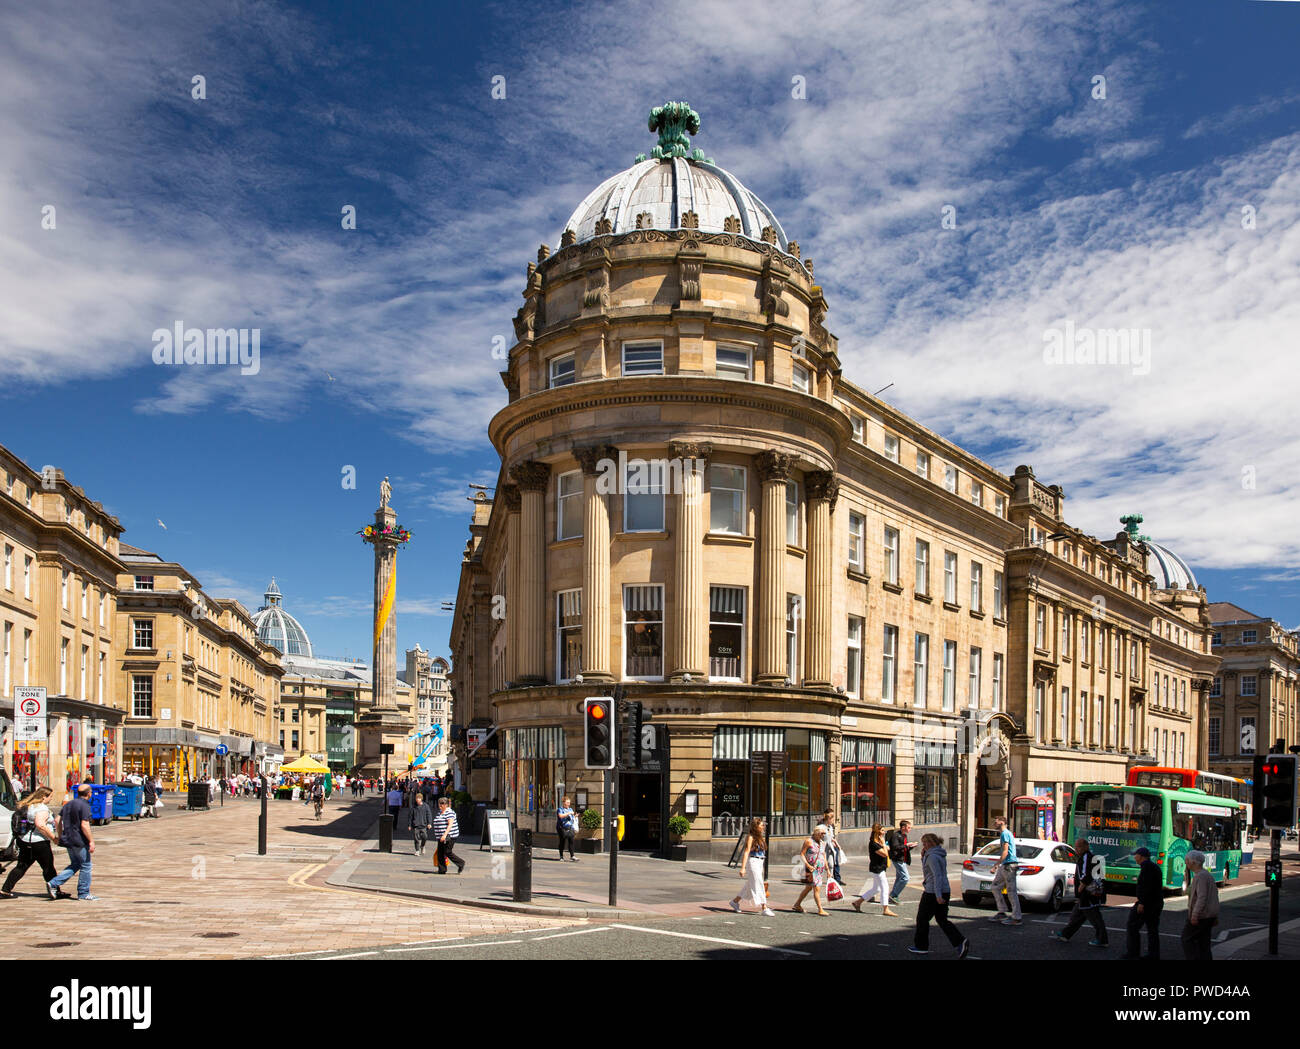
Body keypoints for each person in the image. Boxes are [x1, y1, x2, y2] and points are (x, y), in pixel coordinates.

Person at [909, 832, 970, 957]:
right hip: (943, 890)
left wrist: (937, 895)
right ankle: (960, 941)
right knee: (941, 919)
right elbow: (932, 872)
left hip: (933, 892)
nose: (923, 845)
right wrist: (923, 857)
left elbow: (937, 876)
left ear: (931, 843)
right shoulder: (938, 854)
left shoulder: (932, 856)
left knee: (922, 919)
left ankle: (921, 946)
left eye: (925, 842)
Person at [1, 787, 60, 898]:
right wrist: (53, 837)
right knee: (48, 868)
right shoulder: (42, 808)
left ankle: (5, 890)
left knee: (21, 867)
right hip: (40, 842)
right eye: (50, 796)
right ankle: (55, 890)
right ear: (44, 796)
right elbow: (40, 824)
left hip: (26, 841)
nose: (51, 799)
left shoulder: (31, 806)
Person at [1051, 837, 1108, 947]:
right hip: (1089, 894)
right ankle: (1065, 934)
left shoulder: (1086, 857)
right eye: (1076, 847)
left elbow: (1085, 874)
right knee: (1077, 916)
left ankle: (1102, 939)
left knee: (1095, 918)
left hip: (1088, 894)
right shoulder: (1090, 857)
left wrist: (1081, 887)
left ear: (1086, 847)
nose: (1077, 849)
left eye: (1079, 847)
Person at [48, 783, 97, 901]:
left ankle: (53, 883)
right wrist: (91, 841)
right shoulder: (84, 805)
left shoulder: (68, 804)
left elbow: (57, 820)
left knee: (75, 864)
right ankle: (84, 893)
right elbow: (84, 825)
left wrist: (59, 835)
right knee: (86, 865)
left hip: (68, 839)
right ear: (89, 794)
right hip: (79, 840)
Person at [1123, 846, 1164, 960]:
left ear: (1141, 856)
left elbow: (1147, 887)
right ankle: (1153, 954)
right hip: (1155, 903)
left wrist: (1142, 903)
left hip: (1148, 904)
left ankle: (1133, 952)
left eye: (1136, 855)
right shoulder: (1153, 867)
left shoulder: (1147, 868)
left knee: (1132, 926)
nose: (1134, 857)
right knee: (1152, 929)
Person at [730, 817, 775, 916]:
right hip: (753, 861)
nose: (763, 827)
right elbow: (746, 851)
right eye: (761, 825)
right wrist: (743, 868)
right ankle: (764, 907)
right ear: (756, 827)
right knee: (759, 884)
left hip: (760, 862)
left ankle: (735, 901)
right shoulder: (751, 837)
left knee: (749, 885)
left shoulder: (760, 837)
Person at [852, 823, 897, 916]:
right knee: (885, 887)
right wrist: (884, 845)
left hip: (880, 867)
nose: (884, 832)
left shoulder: (878, 842)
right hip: (877, 868)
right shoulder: (873, 843)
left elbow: (886, 849)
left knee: (876, 889)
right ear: (877, 832)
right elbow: (885, 853)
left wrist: (884, 845)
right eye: (882, 830)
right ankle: (886, 909)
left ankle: (858, 902)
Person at [1181, 850, 1219, 961]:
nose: (1186, 863)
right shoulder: (1207, 875)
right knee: (1204, 944)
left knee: (1187, 939)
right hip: (1209, 916)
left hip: (1202, 916)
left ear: (1193, 862)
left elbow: (1202, 897)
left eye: (1187, 860)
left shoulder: (1200, 877)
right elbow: (1214, 896)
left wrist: (1194, 915)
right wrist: (1215, 916)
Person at [989, 815, 1022, 925]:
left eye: (996, 821)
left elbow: (1005, 851)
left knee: (1011, 891)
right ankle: (1002, 911)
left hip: (1009, 865)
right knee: (995, 886)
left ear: (1002, 822)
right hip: (1005, 864)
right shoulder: (1005, 834)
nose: (994, 823)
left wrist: (996, 865)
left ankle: (1017, 917)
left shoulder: (1005, 834)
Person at [792, 824, 830, 915]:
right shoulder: (809, 841)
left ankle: (797, 904)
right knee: (816, 889)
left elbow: (823, 855)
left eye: (824, 834)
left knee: (808, 888)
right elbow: (802, 854)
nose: (823, 835)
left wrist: (827, 869)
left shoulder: (822, 843)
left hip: (820, 870)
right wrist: (808, 865)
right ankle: (820, 909)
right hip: (812, 869)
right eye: (822, 833)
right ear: (817, 833)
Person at [432, 796, 466, 875]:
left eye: (442, 804)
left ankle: (461, 863)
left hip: (449, 836)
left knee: (447, 851)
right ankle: (442, 869)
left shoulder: (449, 812)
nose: (440, 805)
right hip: (440, 836)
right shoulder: (440, 812)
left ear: (446, 804)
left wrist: (444, 835)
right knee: (440, 852)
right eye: (439, 803)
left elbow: (450, 824)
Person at [887, 818, 915, 905]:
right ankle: (894, 895)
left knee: (899, 877)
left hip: (903, 859)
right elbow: (895, 847)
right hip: (897, 859)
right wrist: (906, 845)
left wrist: (911, 846)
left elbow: (903, 848)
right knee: (905, 877)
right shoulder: (896, 835)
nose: (910, 829)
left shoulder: (904, 836)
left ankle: (893, 895)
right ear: (903, 827)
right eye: (908, 827)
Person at [820, 809, 843, 883]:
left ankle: (831, 880)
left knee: (831, 864)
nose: (833, 821)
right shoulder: (821, 827)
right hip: (823, 849)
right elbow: (817, 837)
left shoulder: (830, 827)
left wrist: (837, 845)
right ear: (828, 819)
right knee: (821, 864)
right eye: (832, 819)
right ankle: (816, 877)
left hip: (830, 848)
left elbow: (832, 838)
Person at [556, 796, 578, 862]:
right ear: (563, 802)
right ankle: (561, 856)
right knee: (562, 841)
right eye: (567, 802)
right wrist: (568, 813)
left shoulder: (570, 809)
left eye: (569, 802)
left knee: (571, 840)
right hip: (562, 827)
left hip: (570, 827)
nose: (568, 804)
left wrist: (575, 816)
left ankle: (572, 855)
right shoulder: (560, 809)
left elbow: (572, 816)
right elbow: (560, 816)